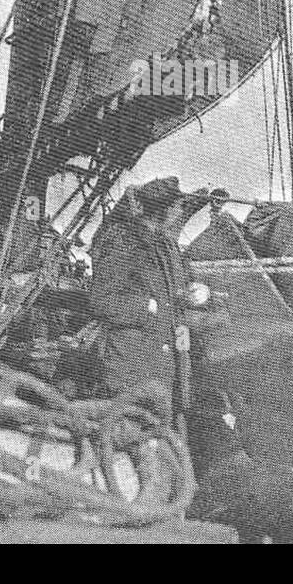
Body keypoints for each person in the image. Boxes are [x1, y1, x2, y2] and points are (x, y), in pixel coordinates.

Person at [89, 177, 209, 418]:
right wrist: (148, 307)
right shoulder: (122, 241)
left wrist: (199, 292)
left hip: (173, 364)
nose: (178, 213)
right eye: (175, 208)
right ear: (163, 211)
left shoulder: (168, 246)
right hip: (134, 368)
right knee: (133, 438)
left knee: (167, 437)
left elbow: (182, 285)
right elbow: (101, 300)